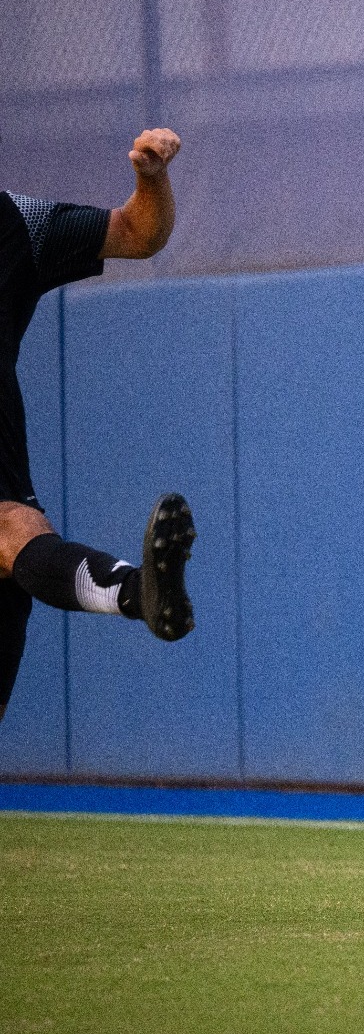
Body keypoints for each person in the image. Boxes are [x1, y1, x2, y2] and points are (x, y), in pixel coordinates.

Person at [0, 128, 198, 717]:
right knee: (11, 532)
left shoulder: (15, 224)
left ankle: (145, 592)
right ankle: (139, 591)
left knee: (15, 537)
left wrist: (152, 177)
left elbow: (139, 234)